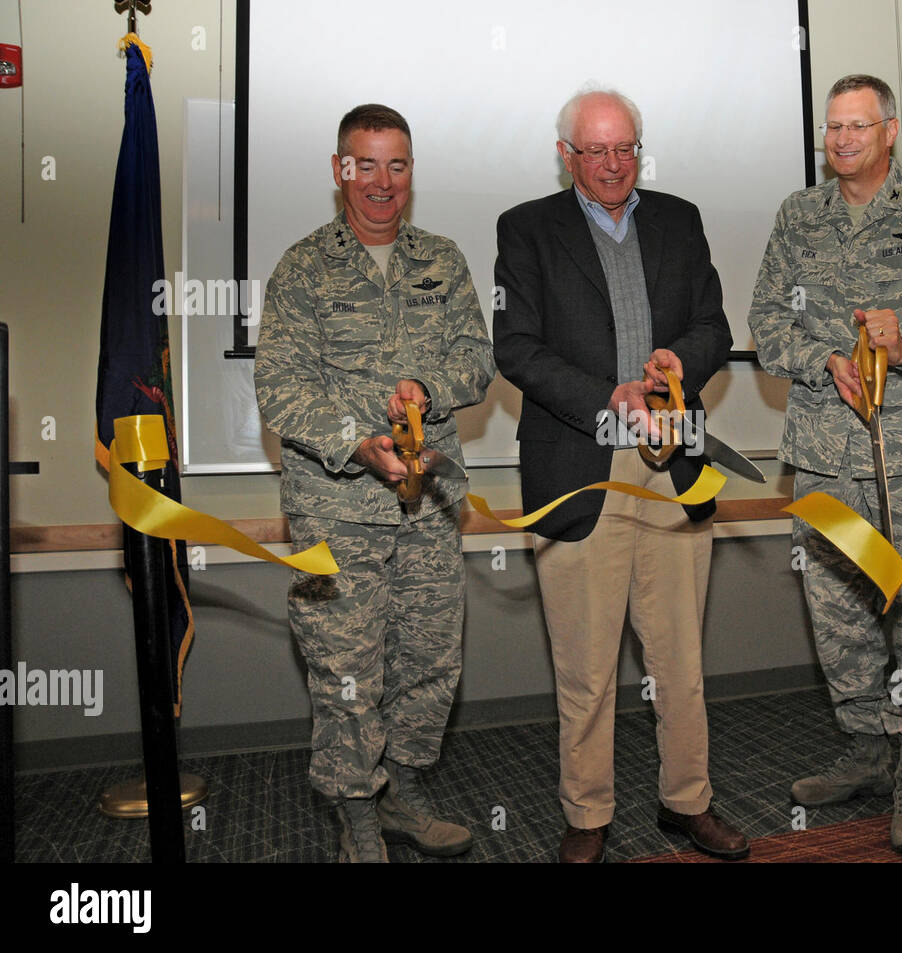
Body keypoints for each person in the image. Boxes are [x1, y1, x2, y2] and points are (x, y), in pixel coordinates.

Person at [493, 87, 746, 863]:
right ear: (566, 155)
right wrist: (608, 395)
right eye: (595, 150)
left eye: (625, 147)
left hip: (672, 469)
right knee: (587, 666)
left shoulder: (680, 217)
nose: (612, 164)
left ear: (640, 148)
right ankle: (588, 813)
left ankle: (687, 801)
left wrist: (681, 362)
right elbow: (517, 348)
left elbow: (715, 325)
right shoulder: (526, 228)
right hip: (580, 470)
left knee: (680, 663)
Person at [748, 74, 902, 855]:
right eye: (833, 128)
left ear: (891, 131)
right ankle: (865, 746)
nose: (843, 140)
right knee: (840, 614)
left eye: (858, 126)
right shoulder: (799, 216)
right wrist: (822, 356)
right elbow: (763, 321)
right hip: (826, 455)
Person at [254, 104, 495, 862]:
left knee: (430, 658)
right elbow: (280, 387)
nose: (381, 182)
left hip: (427, 505)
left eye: (397, 165)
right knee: (346, 667)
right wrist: (357, 445)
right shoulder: (302, 267)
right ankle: (356, 807)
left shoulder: (444, 261)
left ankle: (404, 790)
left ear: (411, 172)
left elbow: (477, 360)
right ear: (339, 170)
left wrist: (425, 383)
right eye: (365, 164)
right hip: (337, 510)